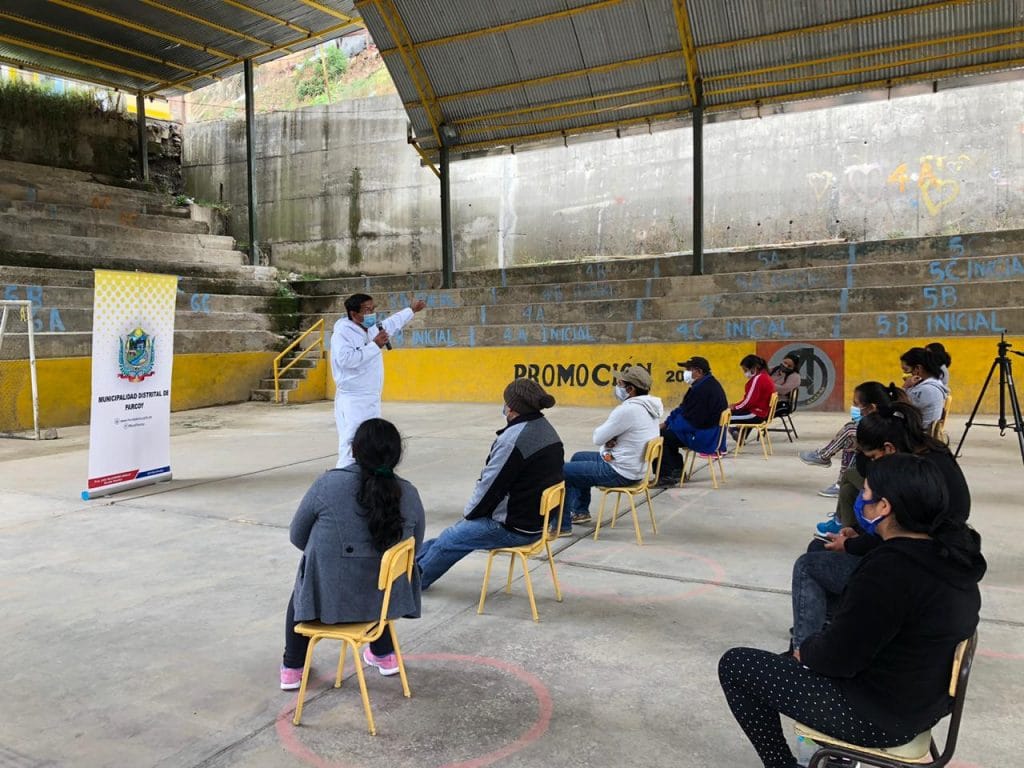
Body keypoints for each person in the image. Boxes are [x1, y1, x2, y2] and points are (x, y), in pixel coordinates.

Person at [721, 453, 984, 768]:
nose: (861, 499)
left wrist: (807, 651)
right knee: (779, 664)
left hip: (878, 716)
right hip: (919, 703)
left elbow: (840, 658)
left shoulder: (892, 570)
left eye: (866, 493)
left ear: (885, 507)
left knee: (736, 666)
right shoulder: (950, 556)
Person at [790, 401, 971, 650]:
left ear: (889, 447)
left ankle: (804, 652)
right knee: (819, 547)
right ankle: (833, 623)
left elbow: (898, 536)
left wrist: (852, 545)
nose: (872, 465)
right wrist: (859, 534)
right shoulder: (928, 457)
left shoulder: (911, 477)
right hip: (930, 559)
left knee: (808, 566)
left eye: (873, 457)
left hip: (914, 569)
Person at [280, 418, 425, 689]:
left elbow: (297, 536)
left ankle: (293, 666)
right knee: (375, 579)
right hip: (381, 606)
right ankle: (384, 654)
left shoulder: (327, 485)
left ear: (354, 450)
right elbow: (413, 549)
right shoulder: (409, 493)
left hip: (327, 602)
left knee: (303, 584)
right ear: (395, 455)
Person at [416, 379, 564, 589]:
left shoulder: (513, 440)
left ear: (512, 407)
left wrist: (470, 515)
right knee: (450, 537)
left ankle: (411, 585)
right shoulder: (546, 429)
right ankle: (406, 568)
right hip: (538, 522)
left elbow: (489, 488)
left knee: (452, 538)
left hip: (516, 528)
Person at [557, 366, 663, 534]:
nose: (617, 387)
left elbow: (597, 437)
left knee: (561, 471)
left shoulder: (627, 410)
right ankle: (580, 511)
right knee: (578, 456)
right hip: (635, 467)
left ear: (631, 389)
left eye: (620, 384)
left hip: (620, 471)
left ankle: (560, 527)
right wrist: (609, 442)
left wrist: (607, 441)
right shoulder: (651, 407)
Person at [331, 293, 427, 468]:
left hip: (370, 397)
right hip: (354, 399)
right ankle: (344, 475)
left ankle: (367, 474)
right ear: (353, 314)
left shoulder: (371, 328)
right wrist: (374, 345)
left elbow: (392, 323)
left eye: (373, 309)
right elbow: (346, 360)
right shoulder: (343, 333)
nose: (371, 314)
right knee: (352, 442)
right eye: (367, 310)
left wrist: (411, 310)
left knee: (369, 442)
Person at [799, 381, 900, 503]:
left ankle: (824, 456)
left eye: (856, 404)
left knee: (850, 430)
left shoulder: (888, 424)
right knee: (850, 440)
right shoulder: (882, 419)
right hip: (871, 467)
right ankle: (838, 480)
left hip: (884, 472)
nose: (854, 408)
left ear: (872, 408)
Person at [658, 356, 729, 484]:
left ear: (699, 371)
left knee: (661, 437)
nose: (685, 373)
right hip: (709, 432)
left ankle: (668, 475)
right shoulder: (702, 385)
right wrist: (667, 422)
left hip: (706, 436)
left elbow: (693, 422)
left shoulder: (703, 390)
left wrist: (671, 426)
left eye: (689, 369)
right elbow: (683, 408)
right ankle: (676, 472)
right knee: (666, 432)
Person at [899, 346, 949, 429]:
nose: (906, 373)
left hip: (918, 435)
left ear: (918, 368)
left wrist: (905, 387)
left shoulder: (927, 389)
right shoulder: (930, 383)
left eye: (906, 370)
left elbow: (901, 407)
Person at [728, 354, 774, 438]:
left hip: (756, 414)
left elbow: (749, 401)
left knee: (723, 417)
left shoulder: (758, 379)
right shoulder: (764, 376)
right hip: (760, 412)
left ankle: (717, 445)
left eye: (745, 370)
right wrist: (735, 406)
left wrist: (735, 407)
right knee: (728, 413)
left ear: (754, 368)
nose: (745, 373)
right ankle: (738, 433)